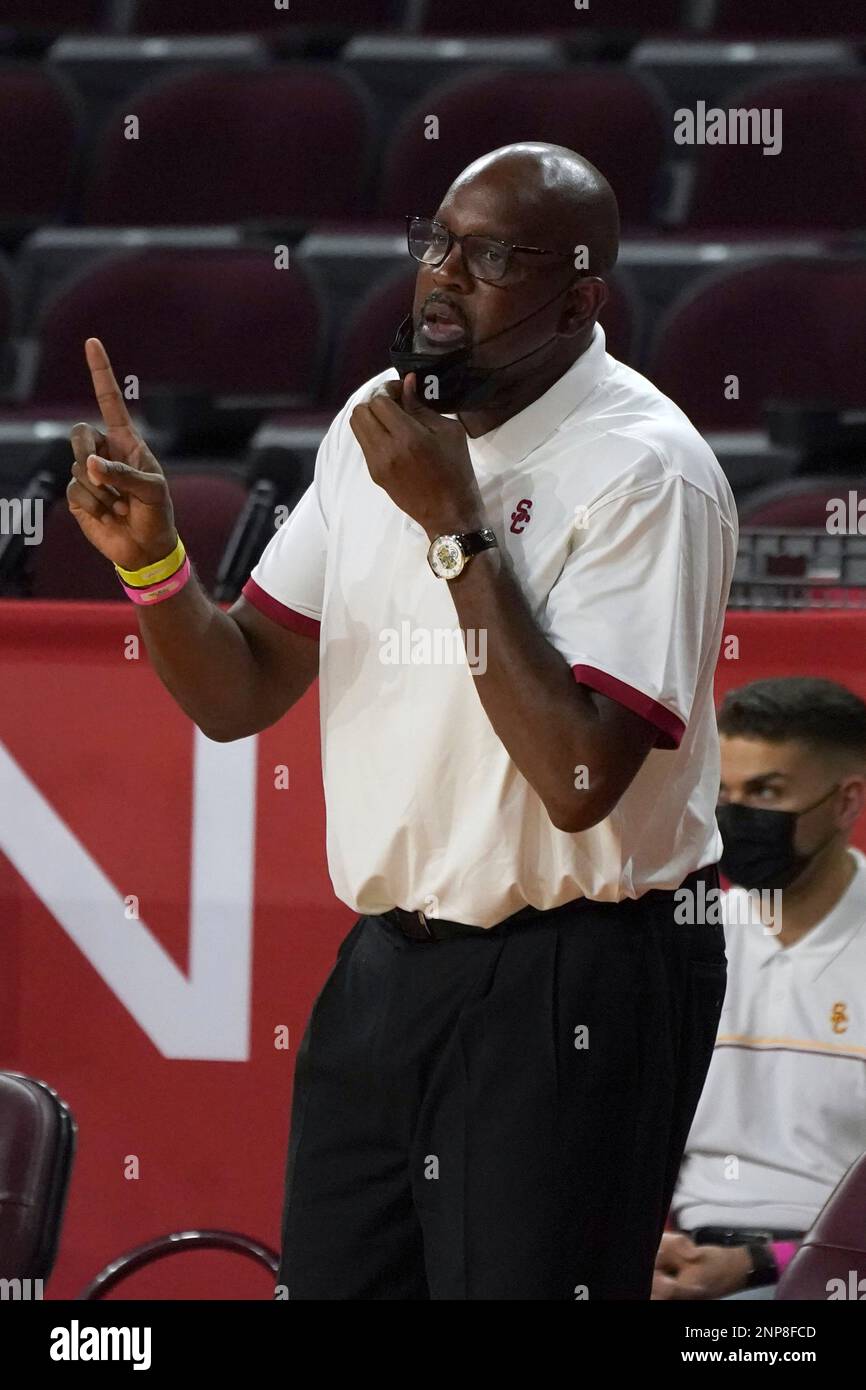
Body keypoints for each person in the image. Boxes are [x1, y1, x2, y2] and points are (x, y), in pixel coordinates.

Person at [66, 142, 737, 1300]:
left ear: (580, 297)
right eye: (436, 242)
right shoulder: (375, 420)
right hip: (387, 967)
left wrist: (454, 526)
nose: (441, 278)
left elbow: (579, 777)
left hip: (574, 976)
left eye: (487, 258)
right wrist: (158, 567)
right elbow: (240, 691)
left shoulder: (644, 471)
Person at [654, 677, 866, 1301]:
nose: (736, 815)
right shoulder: (681, 940)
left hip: (839, 1265)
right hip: (687, 1253)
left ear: (846, 803)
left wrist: (760, 1262)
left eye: (767, 792)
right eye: (724, 791)